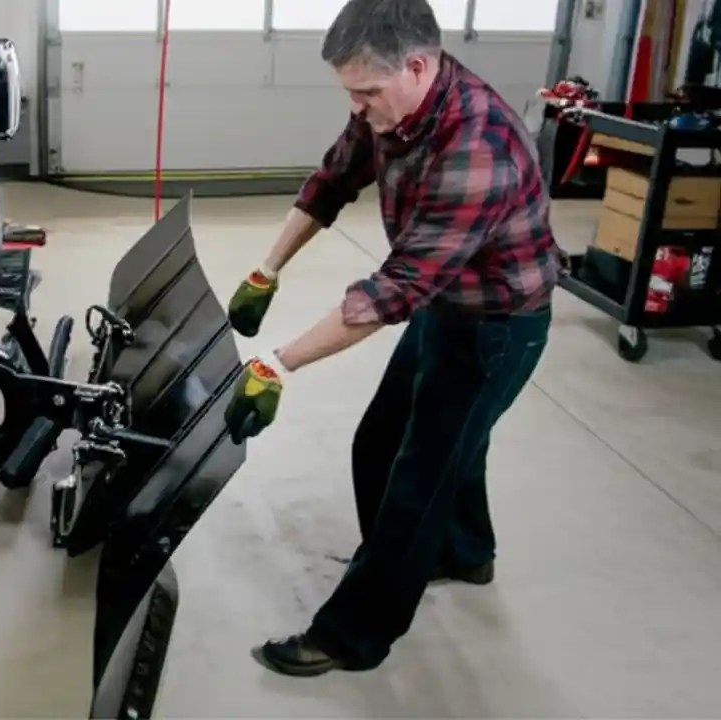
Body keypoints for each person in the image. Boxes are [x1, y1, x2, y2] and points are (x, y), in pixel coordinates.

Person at [225, 0, 566, 676]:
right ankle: (466, 554)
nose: (359, 108)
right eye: (350, 93)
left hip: (498, 326)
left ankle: (353, 633)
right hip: (452, 303)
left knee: (419, 480)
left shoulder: (476, 145)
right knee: (396, 442)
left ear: (416, 66)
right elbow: (332, 180)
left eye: (367, 94)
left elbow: (392, 292)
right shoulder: (392, 105)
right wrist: (267, 270)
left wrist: (277, 364)